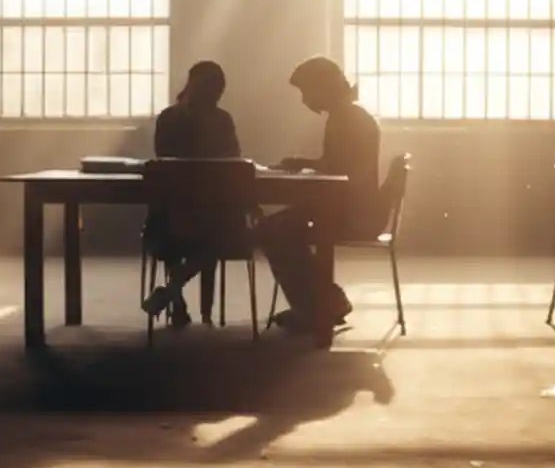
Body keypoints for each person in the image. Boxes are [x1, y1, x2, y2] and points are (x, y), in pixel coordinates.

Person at [258, 56, 383, 332]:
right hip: (354, 206)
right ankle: (322, 301)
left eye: (306, 91)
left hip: (353, 212)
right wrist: (305, 163)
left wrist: (304, 165)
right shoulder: (348, 116)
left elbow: (341, 171)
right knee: (277, 228)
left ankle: (317, 305)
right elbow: (337, 165)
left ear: (323, 87)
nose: (304, 100)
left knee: (272, 230)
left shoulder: (347, 119)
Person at [142, 61, 242, 326]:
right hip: (214, 215)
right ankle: (177, 292)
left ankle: (174, 297)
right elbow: (234, 162)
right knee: (222, 237)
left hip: (171, 215)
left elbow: (162, 162)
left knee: (172, 234)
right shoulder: (222, 120)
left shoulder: (168, 118)